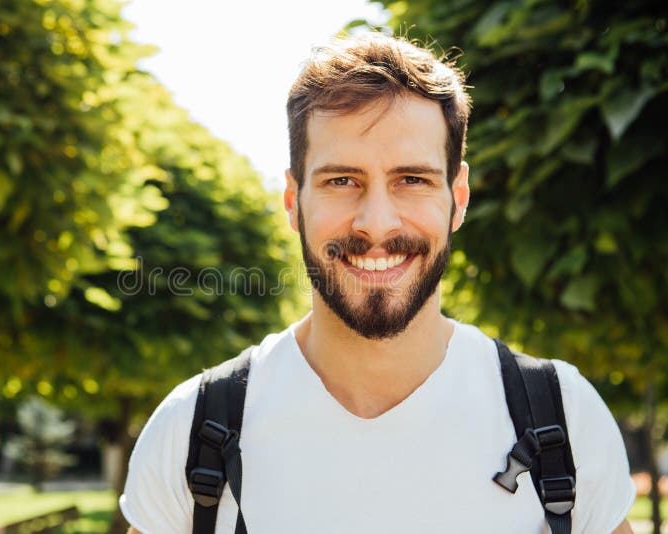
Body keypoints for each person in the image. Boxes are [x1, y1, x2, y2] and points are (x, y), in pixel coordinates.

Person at [120, 33, 635, 533]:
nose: (377, 224)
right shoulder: (190, 431)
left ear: (458, 197)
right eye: (341, 181)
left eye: (412, 179)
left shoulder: (564, 416)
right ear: (292, 201)